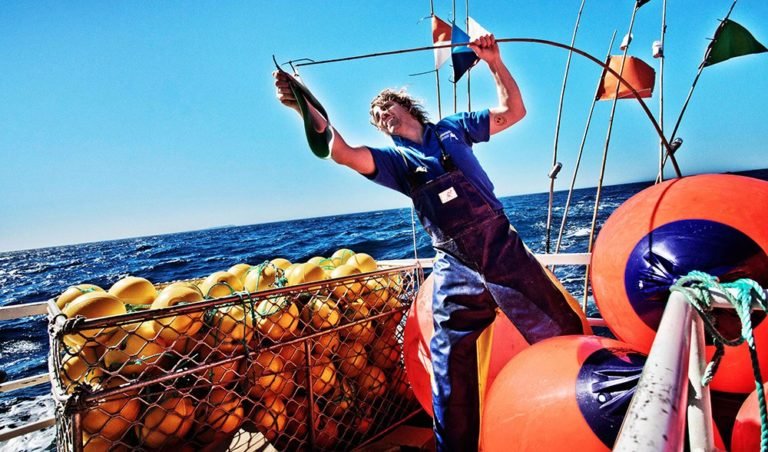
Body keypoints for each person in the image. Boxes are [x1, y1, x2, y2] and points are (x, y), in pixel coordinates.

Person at [274, 34, 589, 451]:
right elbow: (343, 152)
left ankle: (590, 419)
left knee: (559, 330)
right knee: (448, 363)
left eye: (384, 107)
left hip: (499, 245)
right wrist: (305, 105)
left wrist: (494, 61)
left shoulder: (456, 128)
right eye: (374, 117)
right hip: (453, 262)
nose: (380, 116)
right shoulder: (394, 161)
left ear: (405, 105)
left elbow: (515, 111)